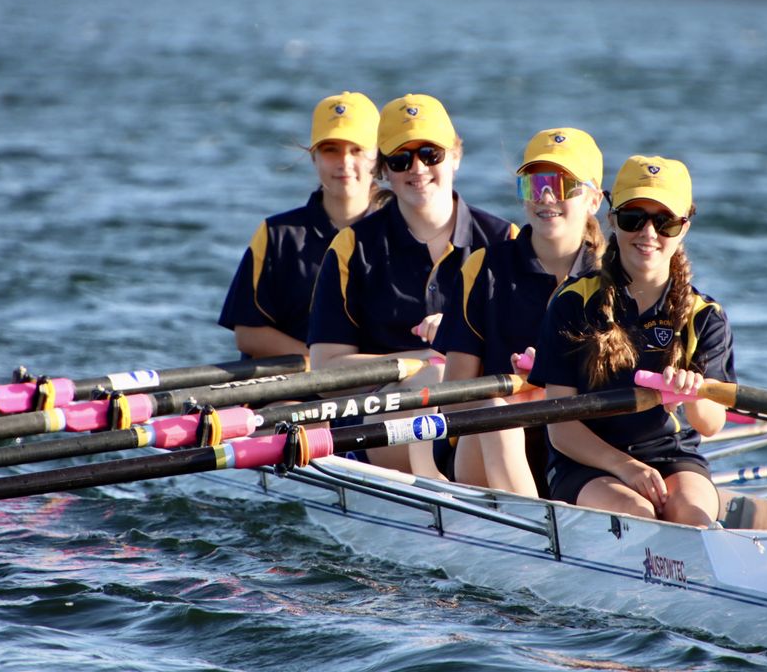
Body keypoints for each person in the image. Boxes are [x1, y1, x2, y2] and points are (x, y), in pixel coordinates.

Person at [307, 93, 515, 472]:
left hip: (479, 411)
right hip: (380, 421)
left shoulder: (506, 241)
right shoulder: (353, 247)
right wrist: (424, 359)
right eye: (401, 159)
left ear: (456, 156)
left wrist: (458, 340)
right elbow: (325, 373)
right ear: (384, 171)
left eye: (431, 154)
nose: (417, 168)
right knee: (434, 375)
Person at [527, 155, 733, 526]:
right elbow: (559, 428)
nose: (648, 233)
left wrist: (695, 395)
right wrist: (625, 467)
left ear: (683, 228)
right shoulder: (573, 303)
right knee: (638, 515)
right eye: (633, 218)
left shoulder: (705, 316)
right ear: (612, 219)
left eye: (665, 222)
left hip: (672, 456)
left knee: (693, 518)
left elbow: (711, 424)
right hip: (586, 461)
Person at [432, 128, 605, 495]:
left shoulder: (613, 282)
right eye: (535, 183)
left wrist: (546, 389)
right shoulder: (484, 269)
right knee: (497, 412)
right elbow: (453, 400)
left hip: (579, 453)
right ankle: (533, 523)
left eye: (563, 185)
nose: (546, 196)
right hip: (485, 448)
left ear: (594, 199)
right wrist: (517, 398)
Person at [218, 91, 385, 358]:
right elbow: (248, 333)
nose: (345, 162)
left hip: (381, 381)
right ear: (313, 156)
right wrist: (324, 364)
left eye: (357, 150)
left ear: (378, 156)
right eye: (331, 150)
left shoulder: (401, 233)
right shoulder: (277, 235)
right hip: (296, 383)